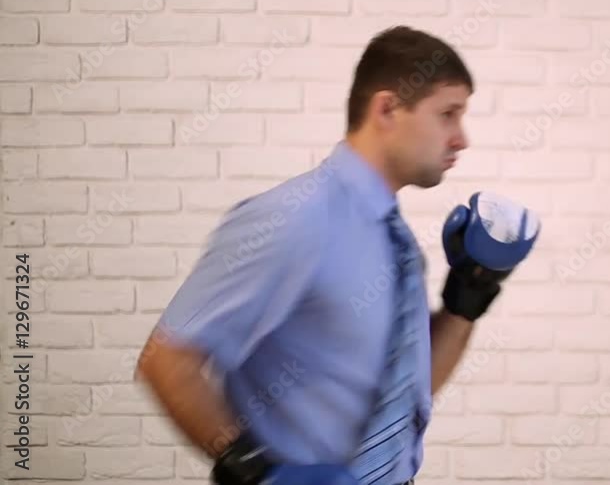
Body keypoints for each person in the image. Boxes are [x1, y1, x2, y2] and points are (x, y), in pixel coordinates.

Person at [134, 26, 540, 485]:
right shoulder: (291, 219)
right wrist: (255, 471)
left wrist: (468, 298)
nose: (461, 138)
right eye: (448, 114)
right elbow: (168, 359)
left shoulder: (396, 239)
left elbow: (407, 390)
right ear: (387, 108)